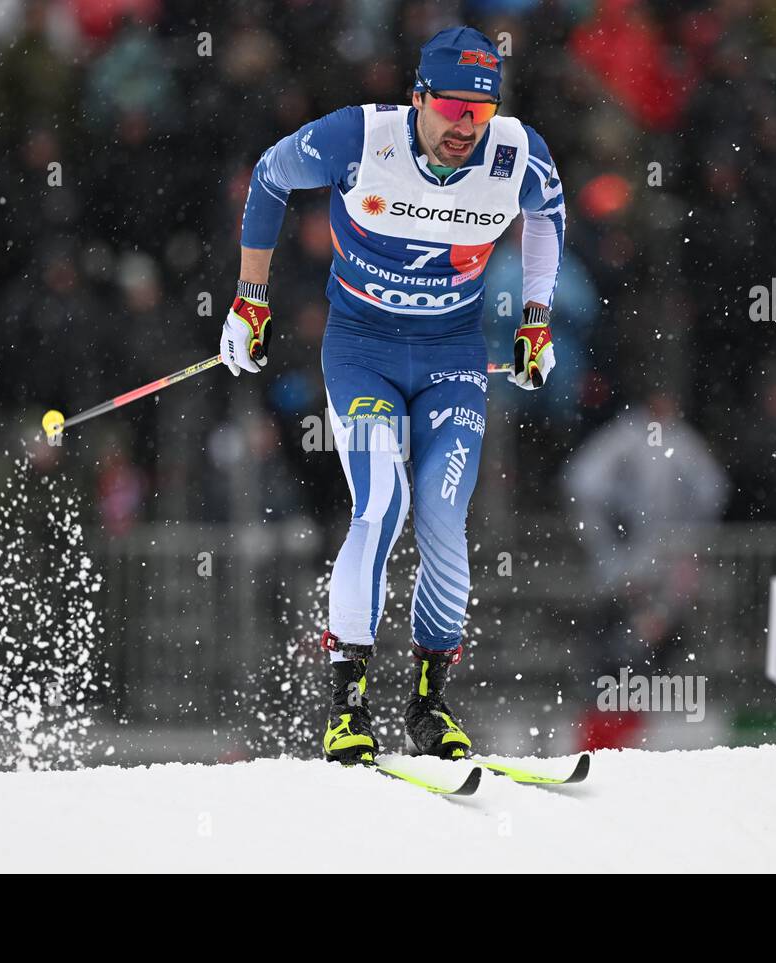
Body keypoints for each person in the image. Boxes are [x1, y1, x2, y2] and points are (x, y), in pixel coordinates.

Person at [219, 27, 565, 762]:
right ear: (418, 99)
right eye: (449, 108)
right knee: (382, 503)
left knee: (442, 515)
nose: (464, 127)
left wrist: (537, 318)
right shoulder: (360, 136)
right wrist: (250, 300)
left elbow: (547, 214)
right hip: (363, 352)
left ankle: (429, 705)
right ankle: (346, 703)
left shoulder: (515, 153)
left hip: (451, 358)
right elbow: (270, 176)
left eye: (480, 109)